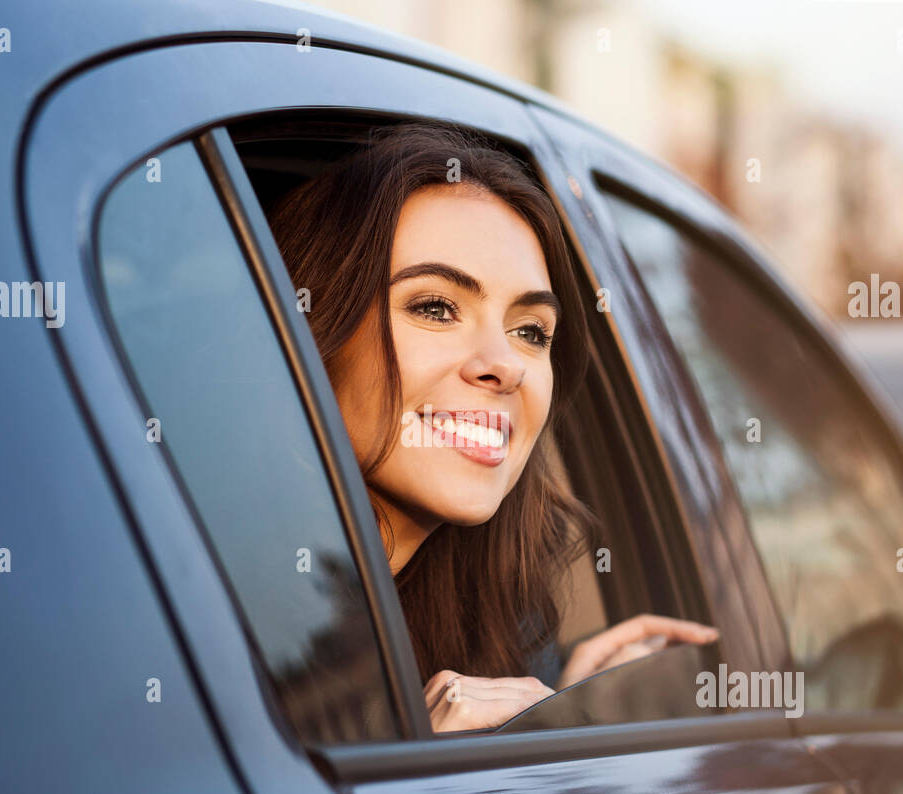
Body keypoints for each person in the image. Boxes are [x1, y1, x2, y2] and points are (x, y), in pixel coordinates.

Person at [269, 122, 717, 732]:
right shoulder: (223, 621)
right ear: (313, 337)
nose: (504, 365)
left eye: (531, 332)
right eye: (435, 308)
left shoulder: (502, 621)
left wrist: (564, 711)